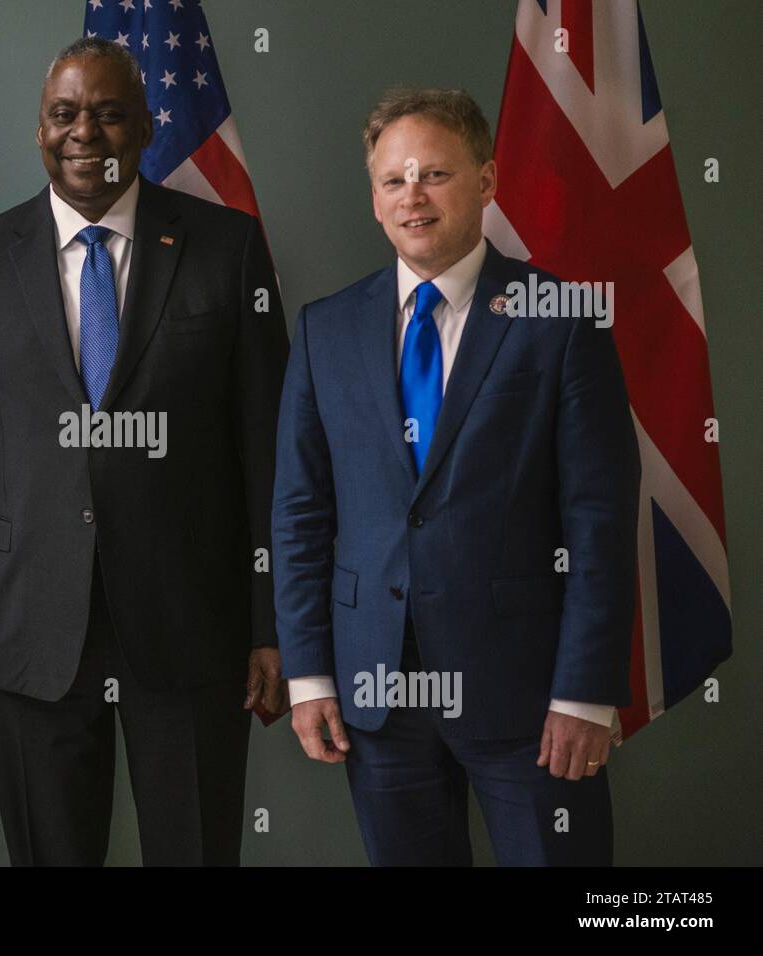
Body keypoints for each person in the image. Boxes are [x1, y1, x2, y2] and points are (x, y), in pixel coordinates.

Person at [0, 38, 289, 865]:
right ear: (39, 130)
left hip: (192, 621)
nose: (86, 132)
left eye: (110, 113)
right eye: (65, 114)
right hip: (25, 627)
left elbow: (269, 454)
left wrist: (274, 627)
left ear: (146, 127)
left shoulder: (227, 249)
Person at [272, 88, 640, 865]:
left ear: (487, 181)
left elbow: (599, 522)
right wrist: (308, 676)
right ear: (374, 200)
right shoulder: (324, 331)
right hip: (376, 691)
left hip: (529, 696)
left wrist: (584, 692)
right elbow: (300, 517)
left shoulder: (562, 321)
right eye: (393, 179)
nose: (412, 196)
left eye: (434, 174)